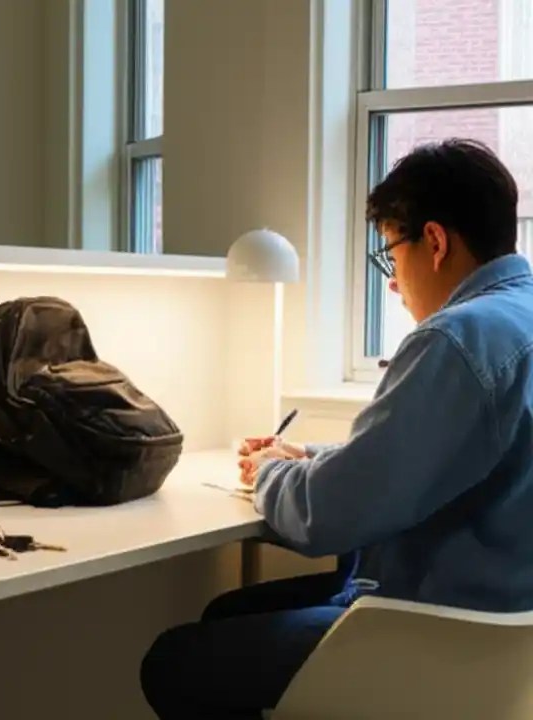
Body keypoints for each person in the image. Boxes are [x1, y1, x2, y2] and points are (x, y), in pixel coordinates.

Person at [141, 138, 533, 719]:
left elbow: (329, 517)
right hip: (507, 635)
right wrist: (312, 455)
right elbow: (463, 452)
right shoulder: (517, 320)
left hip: (437, 633)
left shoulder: (456, 339)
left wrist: (271, 471)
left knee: (174, 661)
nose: (394, 283)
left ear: (434, 241)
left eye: (390, 256)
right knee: (227, 615)